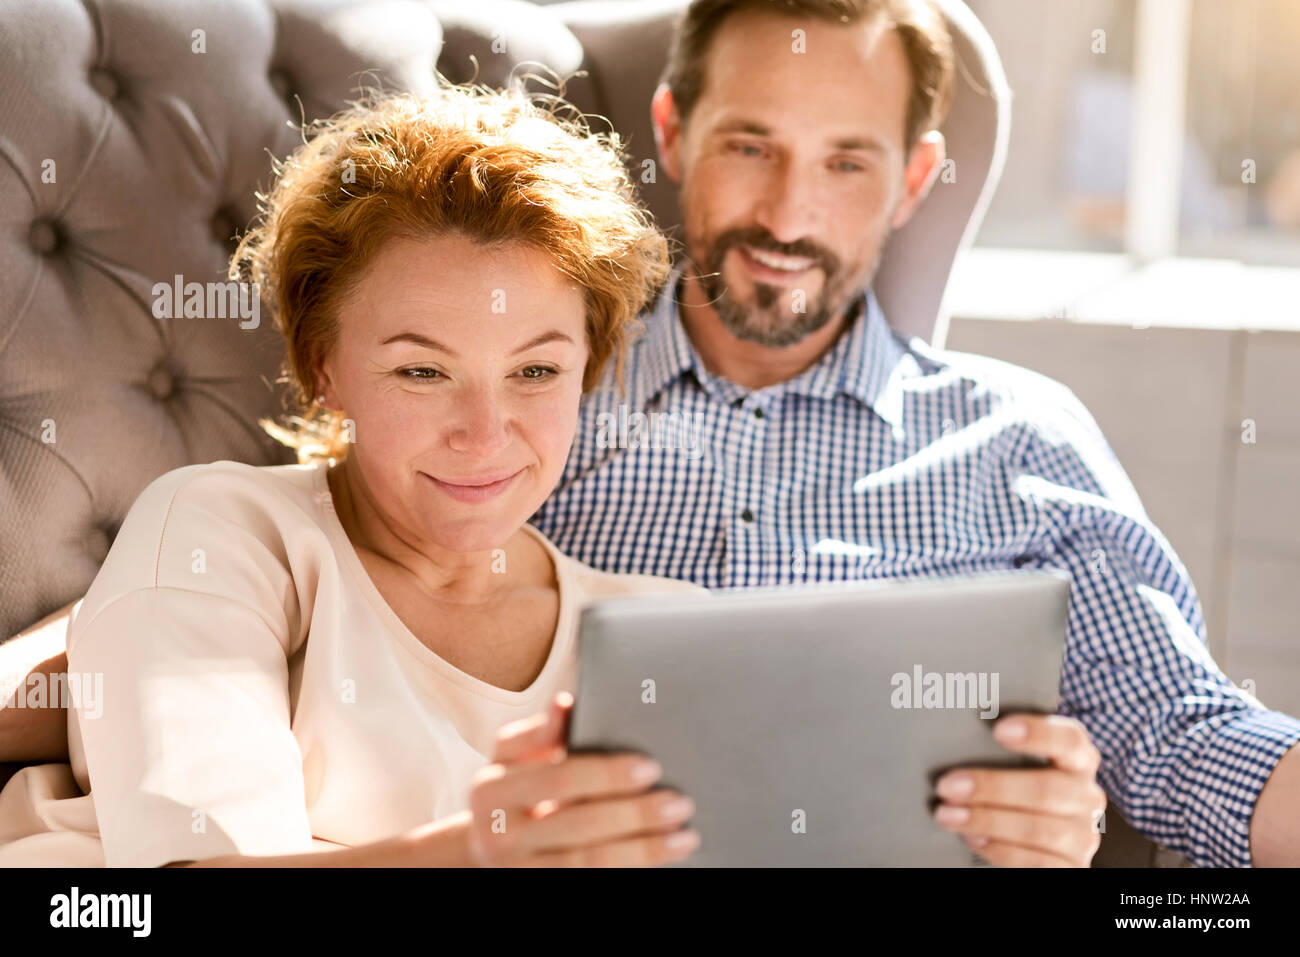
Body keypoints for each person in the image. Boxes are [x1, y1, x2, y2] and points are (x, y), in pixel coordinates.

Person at [6, 0, 1299, 868]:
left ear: (914, 181)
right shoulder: (291, 512)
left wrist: (1018, 837)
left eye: (847, 160)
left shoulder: (659, 603)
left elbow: (1182, 731)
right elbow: (195, 629)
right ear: (674, 137)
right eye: (753, 144)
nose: (486, 430)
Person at [0, 85, 706, 867]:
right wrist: (479, 853)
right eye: (422, 370)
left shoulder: (667, 632)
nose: (484, 432)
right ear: (324, 368)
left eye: (536, 369)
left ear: (590, 369)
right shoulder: (223, 532)